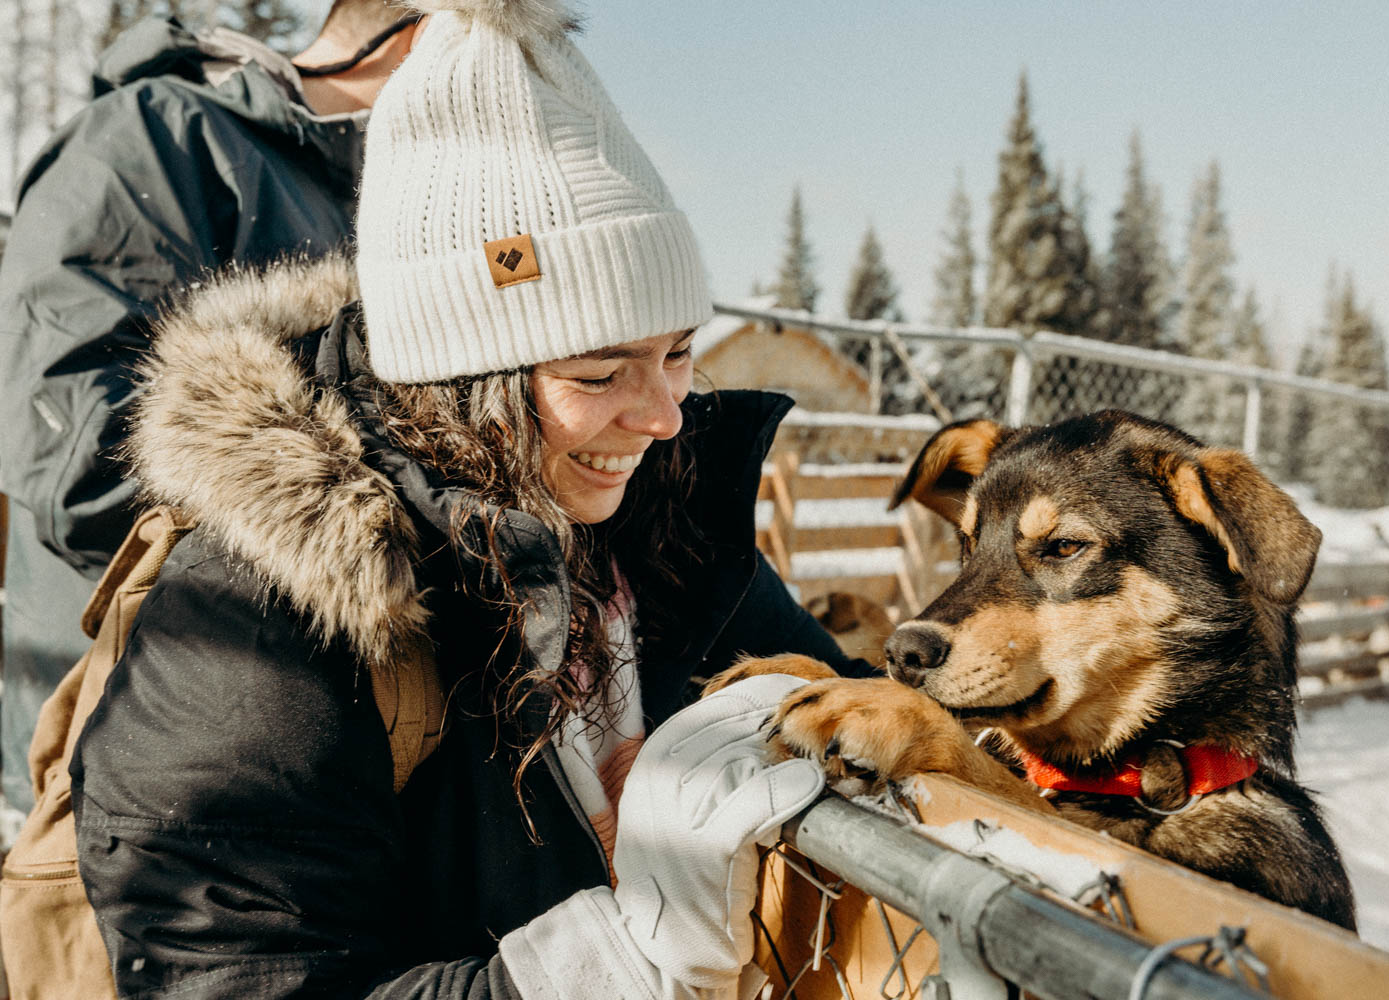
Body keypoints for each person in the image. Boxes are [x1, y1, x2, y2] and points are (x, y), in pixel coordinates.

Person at [71, 0, 871, 995]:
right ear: (458, 383)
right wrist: (617, 963)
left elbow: (859, 701)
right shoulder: (255, 618)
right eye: (598, 372)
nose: (665, 415)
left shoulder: (655, 528)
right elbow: (235, 979)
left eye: (676, 355)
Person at [0, 0, 419, 813]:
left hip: (296, 773)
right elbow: (78, 452)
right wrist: (368, 545)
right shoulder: (155, 136)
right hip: (124, 771)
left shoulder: (379, 204)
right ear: (425, 30)